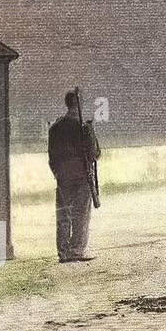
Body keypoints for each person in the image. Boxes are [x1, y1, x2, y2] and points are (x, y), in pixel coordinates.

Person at [48, 90, 101, 263]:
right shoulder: (83, 128)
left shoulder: (55, 128)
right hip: (81, 177)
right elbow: (94, 154)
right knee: (80, 215)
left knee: (63, 214)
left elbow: (51, 157)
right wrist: (91, 131)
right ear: (79, 105)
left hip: (62, 177)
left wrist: (57, 173)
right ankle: (76, 250)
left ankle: (63, 251)